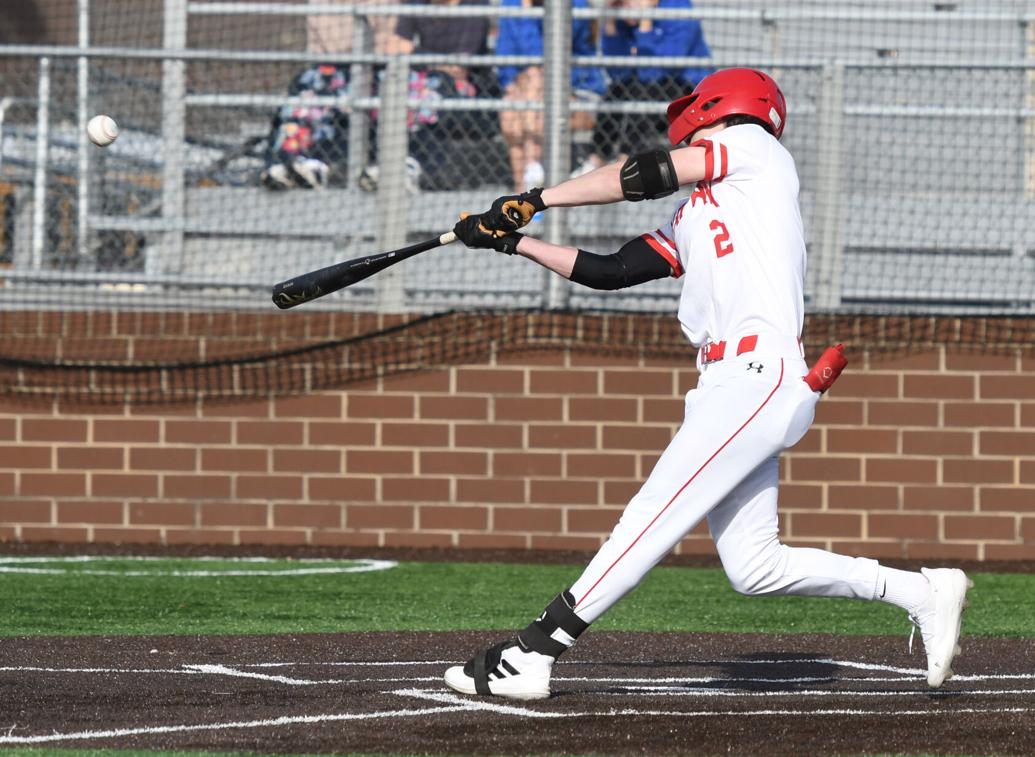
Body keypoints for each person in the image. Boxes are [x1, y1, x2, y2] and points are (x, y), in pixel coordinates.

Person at [443, 68, 972, 700]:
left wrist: (536, 197)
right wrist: (517, 242)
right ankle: (922, 591)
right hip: (728, 380)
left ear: (726, 105)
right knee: (756, 566)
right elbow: (612, 270)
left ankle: (534, 651)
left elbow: (641, 174)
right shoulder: (698, 209)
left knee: (652, 516)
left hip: (755, 376)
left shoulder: (755, 150)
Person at [571, 0, 712, 178]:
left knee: (647, 89)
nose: (625, 6)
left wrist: (646, 23)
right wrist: (610, 25)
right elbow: (617, 73)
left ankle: (624, 160)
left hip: (687, 91)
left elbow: (654, 72)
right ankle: (596, 157)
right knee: (617, 90)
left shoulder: (678, 8)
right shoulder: (622, 15)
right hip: (642, 87)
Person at [494, 0, 606, 192]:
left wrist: (527, 13)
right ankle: (524, 188)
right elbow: (505, 53)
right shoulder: (512, 3)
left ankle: (528, 186)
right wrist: (514, 85)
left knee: (536, 81)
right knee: (510, 113)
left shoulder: (574, 4)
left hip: (576, 89)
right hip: (527, 94)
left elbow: (546, 55)